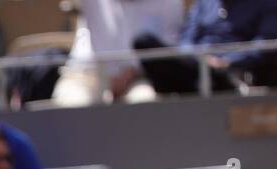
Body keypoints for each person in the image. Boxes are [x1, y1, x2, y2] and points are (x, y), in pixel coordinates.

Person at [134, 0, 277, 94]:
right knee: (143, 42)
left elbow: (267, 43)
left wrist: (228, 61)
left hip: (235, 74)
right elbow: (185, 41)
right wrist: (202, 60)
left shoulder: (267, 3)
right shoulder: (203, 3)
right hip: (197, 68)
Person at [53, 0, 184, 106]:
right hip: (85, 74)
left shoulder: (170, 3)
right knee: (74, 106)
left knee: (145, 104)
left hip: (141, 76)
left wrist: (132, 71)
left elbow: (166, 51)